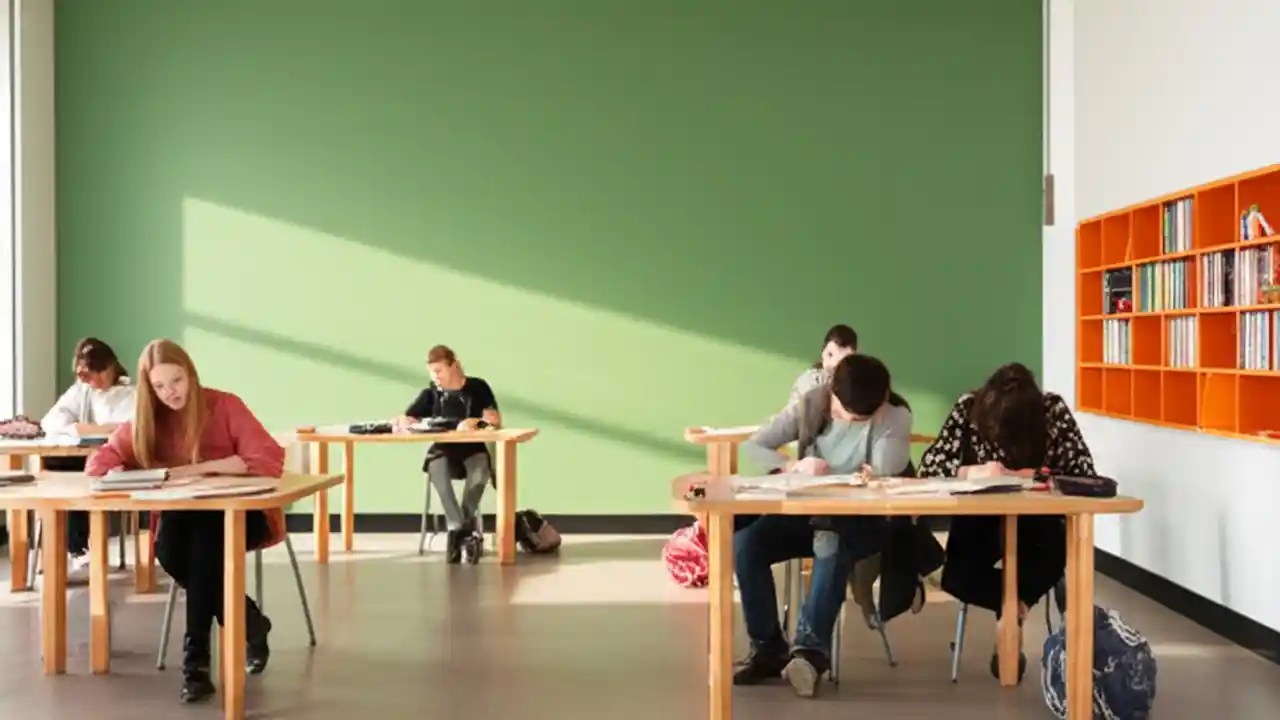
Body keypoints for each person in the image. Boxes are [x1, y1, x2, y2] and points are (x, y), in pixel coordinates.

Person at [85, 339, 285, 704]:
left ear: (191, 375)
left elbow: (266, 459)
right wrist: (123, 468)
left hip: (240, 515)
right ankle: (250, 623)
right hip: (181, 520)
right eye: (159, 386)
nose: (170, 393)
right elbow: (98, 464)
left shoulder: (224, 404)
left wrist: (195, 469)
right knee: (189, 553)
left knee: (204, 547)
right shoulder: (149, 418)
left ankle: (196, 666)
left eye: (176, 381)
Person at [733, 354, 911, 698]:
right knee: (746, 543)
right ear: (833, 392)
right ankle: (768, 648)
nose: (859, 419)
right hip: (807, 512)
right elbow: (755, 445)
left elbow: (888, 468)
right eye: (851, 414)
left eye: (867, 414)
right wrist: (794, 465)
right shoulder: (811, 405)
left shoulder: (895, 415)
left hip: (862, 523)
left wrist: (885, 416)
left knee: (829, 542)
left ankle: (809, 654)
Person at [917, 362, 1096, 682]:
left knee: (1053, 553)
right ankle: (1013, 611)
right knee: (955, 578)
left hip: (1037, 523)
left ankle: (1010, 616)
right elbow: (928, 468)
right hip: (979, 520)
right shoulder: (966, 409)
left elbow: (1084, 473)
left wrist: (1033, 475)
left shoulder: (1051, 411)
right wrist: (969, 471)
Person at [394, 345, 501, 564]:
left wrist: (475, 422)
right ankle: (461, 530)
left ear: (454, 366)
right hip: (442, 451)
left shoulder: (478, 387)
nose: (436, 377)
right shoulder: (431, 394)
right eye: (432, 372)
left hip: (473, 451)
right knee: (437, 473)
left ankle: (458, 533)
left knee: (481, 473)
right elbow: (408, 417)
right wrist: (406, 422)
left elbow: (494, 421)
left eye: (439, 371)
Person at [40, 338, 135, 582]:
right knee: (55, 469)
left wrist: (83, 428)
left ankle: (77, 546)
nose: (94, 382)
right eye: (87, 377)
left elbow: (125, 428)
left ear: (112, 366)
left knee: (88, 474)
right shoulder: (81, 391)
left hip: (113, 460)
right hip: (82, 456)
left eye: (98, 373)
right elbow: (49, 421)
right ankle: (64, 549)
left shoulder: (129, 393)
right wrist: (87, 428)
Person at [787, 324, 858, 406]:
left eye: (843, 360)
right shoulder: (809, 381)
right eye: (830, 355)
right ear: (822, 351)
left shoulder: (852, 383)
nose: (834, 364)